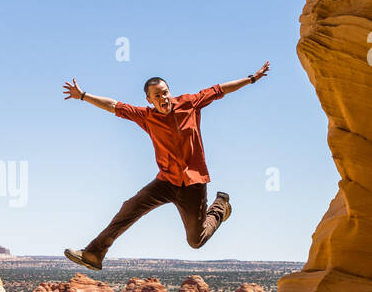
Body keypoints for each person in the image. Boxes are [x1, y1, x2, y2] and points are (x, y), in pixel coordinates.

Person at [62, 64, 270, 270]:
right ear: (149, 100)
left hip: (193, 184)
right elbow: (114, 106)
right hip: (165, 181)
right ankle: (94, 253)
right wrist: (83, 96)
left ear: (170, 92)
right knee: (130, 208)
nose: (163, 99)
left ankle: (220, 206)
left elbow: (220, 90)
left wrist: (251, 79)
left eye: (165, 93)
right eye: (157, 96)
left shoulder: (190, 103)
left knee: (195, 241)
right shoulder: (147, 117)